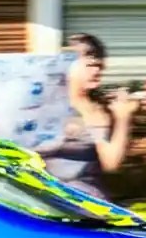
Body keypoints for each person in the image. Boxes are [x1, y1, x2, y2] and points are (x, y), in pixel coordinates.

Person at [34, 33, 139, 200]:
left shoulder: (93, 111)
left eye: (100, 66)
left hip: (84, 202)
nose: (97, 72)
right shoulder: (43, 105)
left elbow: (111, 162)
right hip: (42, 201)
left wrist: (123, 117)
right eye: (90, 65)